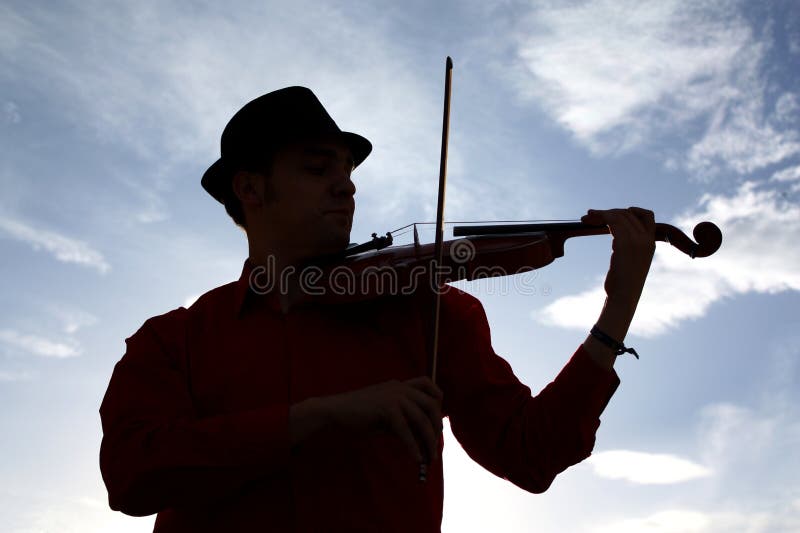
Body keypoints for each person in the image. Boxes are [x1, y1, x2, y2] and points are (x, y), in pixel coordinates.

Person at [99, 87, 656, 532]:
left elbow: (530, 454)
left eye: (348, 173)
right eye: (318, 170)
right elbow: (131, 474)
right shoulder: (173, 342)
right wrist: (326, 415)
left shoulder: (428, 313)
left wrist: (617, 311)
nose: (345, 188)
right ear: (250, 187)